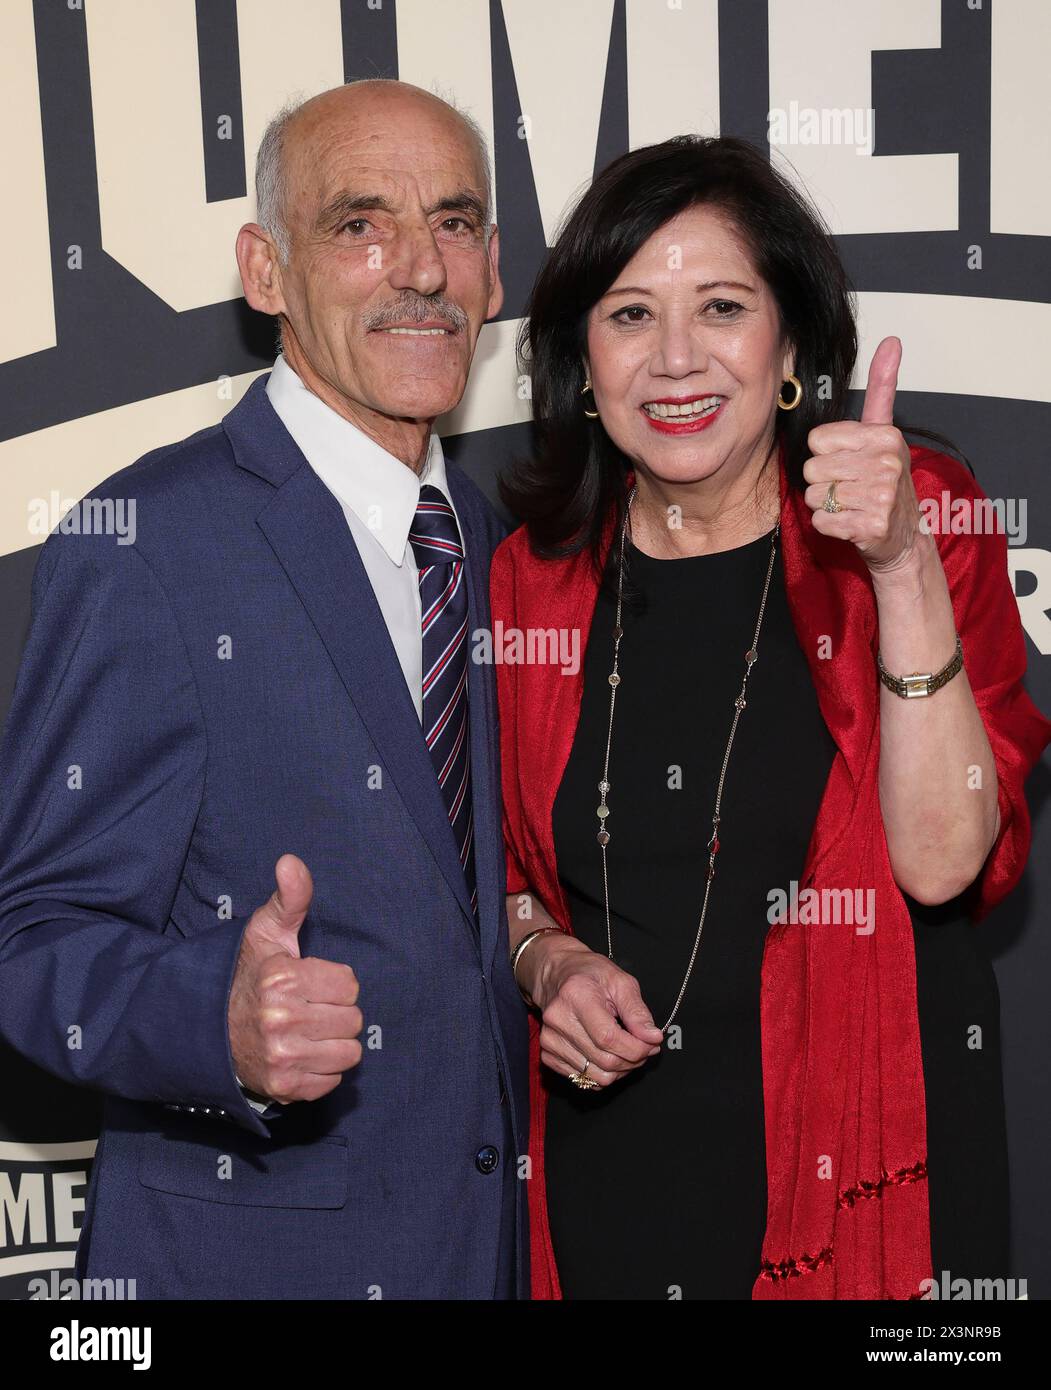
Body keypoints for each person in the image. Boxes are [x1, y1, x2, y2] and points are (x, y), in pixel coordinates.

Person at [490, 135, 1051, 1300]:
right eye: (631, 315)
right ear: (581, 364)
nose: (677, 358)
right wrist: (546, 963)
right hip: (611, 1176)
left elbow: (947, 863)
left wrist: (896, 568)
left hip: (874, 1177)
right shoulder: (523, 586)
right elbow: (486, 881)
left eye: (723, 307)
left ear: (789, 342)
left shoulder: (921, 517)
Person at [0, 80, 528, 1300]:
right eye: (358, 225)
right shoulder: (151, 543)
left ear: (494, 270)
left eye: (453, 224)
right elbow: (30, 944)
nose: (419, 269)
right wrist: (216, 1026)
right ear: (266, 269)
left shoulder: (507, 553)